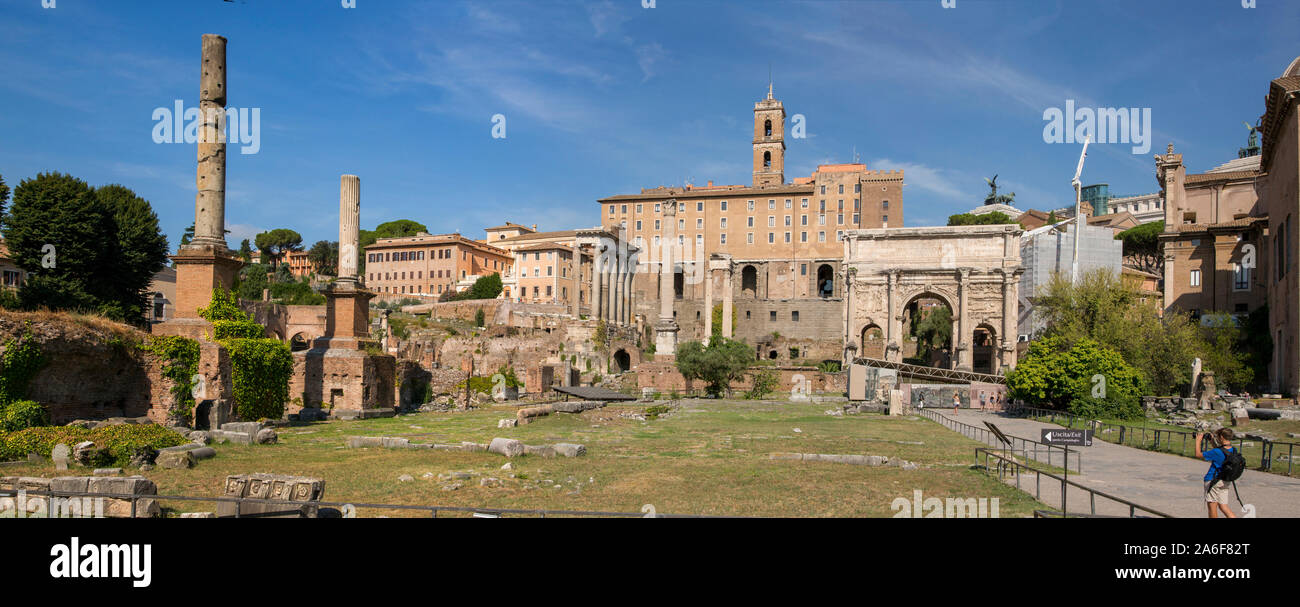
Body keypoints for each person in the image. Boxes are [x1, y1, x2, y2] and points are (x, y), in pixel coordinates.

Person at [1195, 429, 1239, 519]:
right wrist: (1212, 441)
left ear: (1221, 437)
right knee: (1223, 506)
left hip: (1213, 481)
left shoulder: (1216, 452)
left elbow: (1198, 454)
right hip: (1225, 480)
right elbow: (1222, 451)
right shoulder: (1234, 450)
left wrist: (1198, 441)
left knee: (1212, 507)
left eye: (1217, 436)